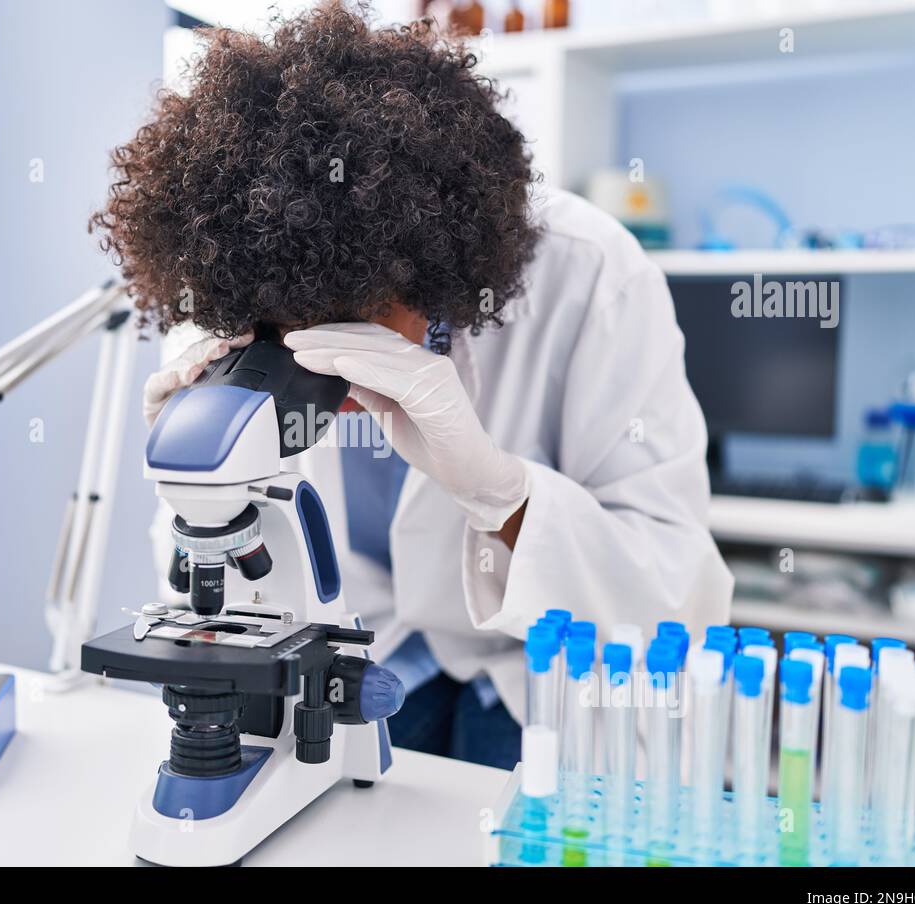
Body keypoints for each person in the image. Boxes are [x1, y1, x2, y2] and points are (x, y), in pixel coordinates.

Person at [90, 2, 733, 771]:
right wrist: (197, 483)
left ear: (435, 262)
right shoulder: (233, 290)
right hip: (360, 646)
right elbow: (215, 593)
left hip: (532, 667)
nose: (323, 364)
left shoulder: (590, 274)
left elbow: (677, 591)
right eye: (291, 330)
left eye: (354, 321)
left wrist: (504, 496)